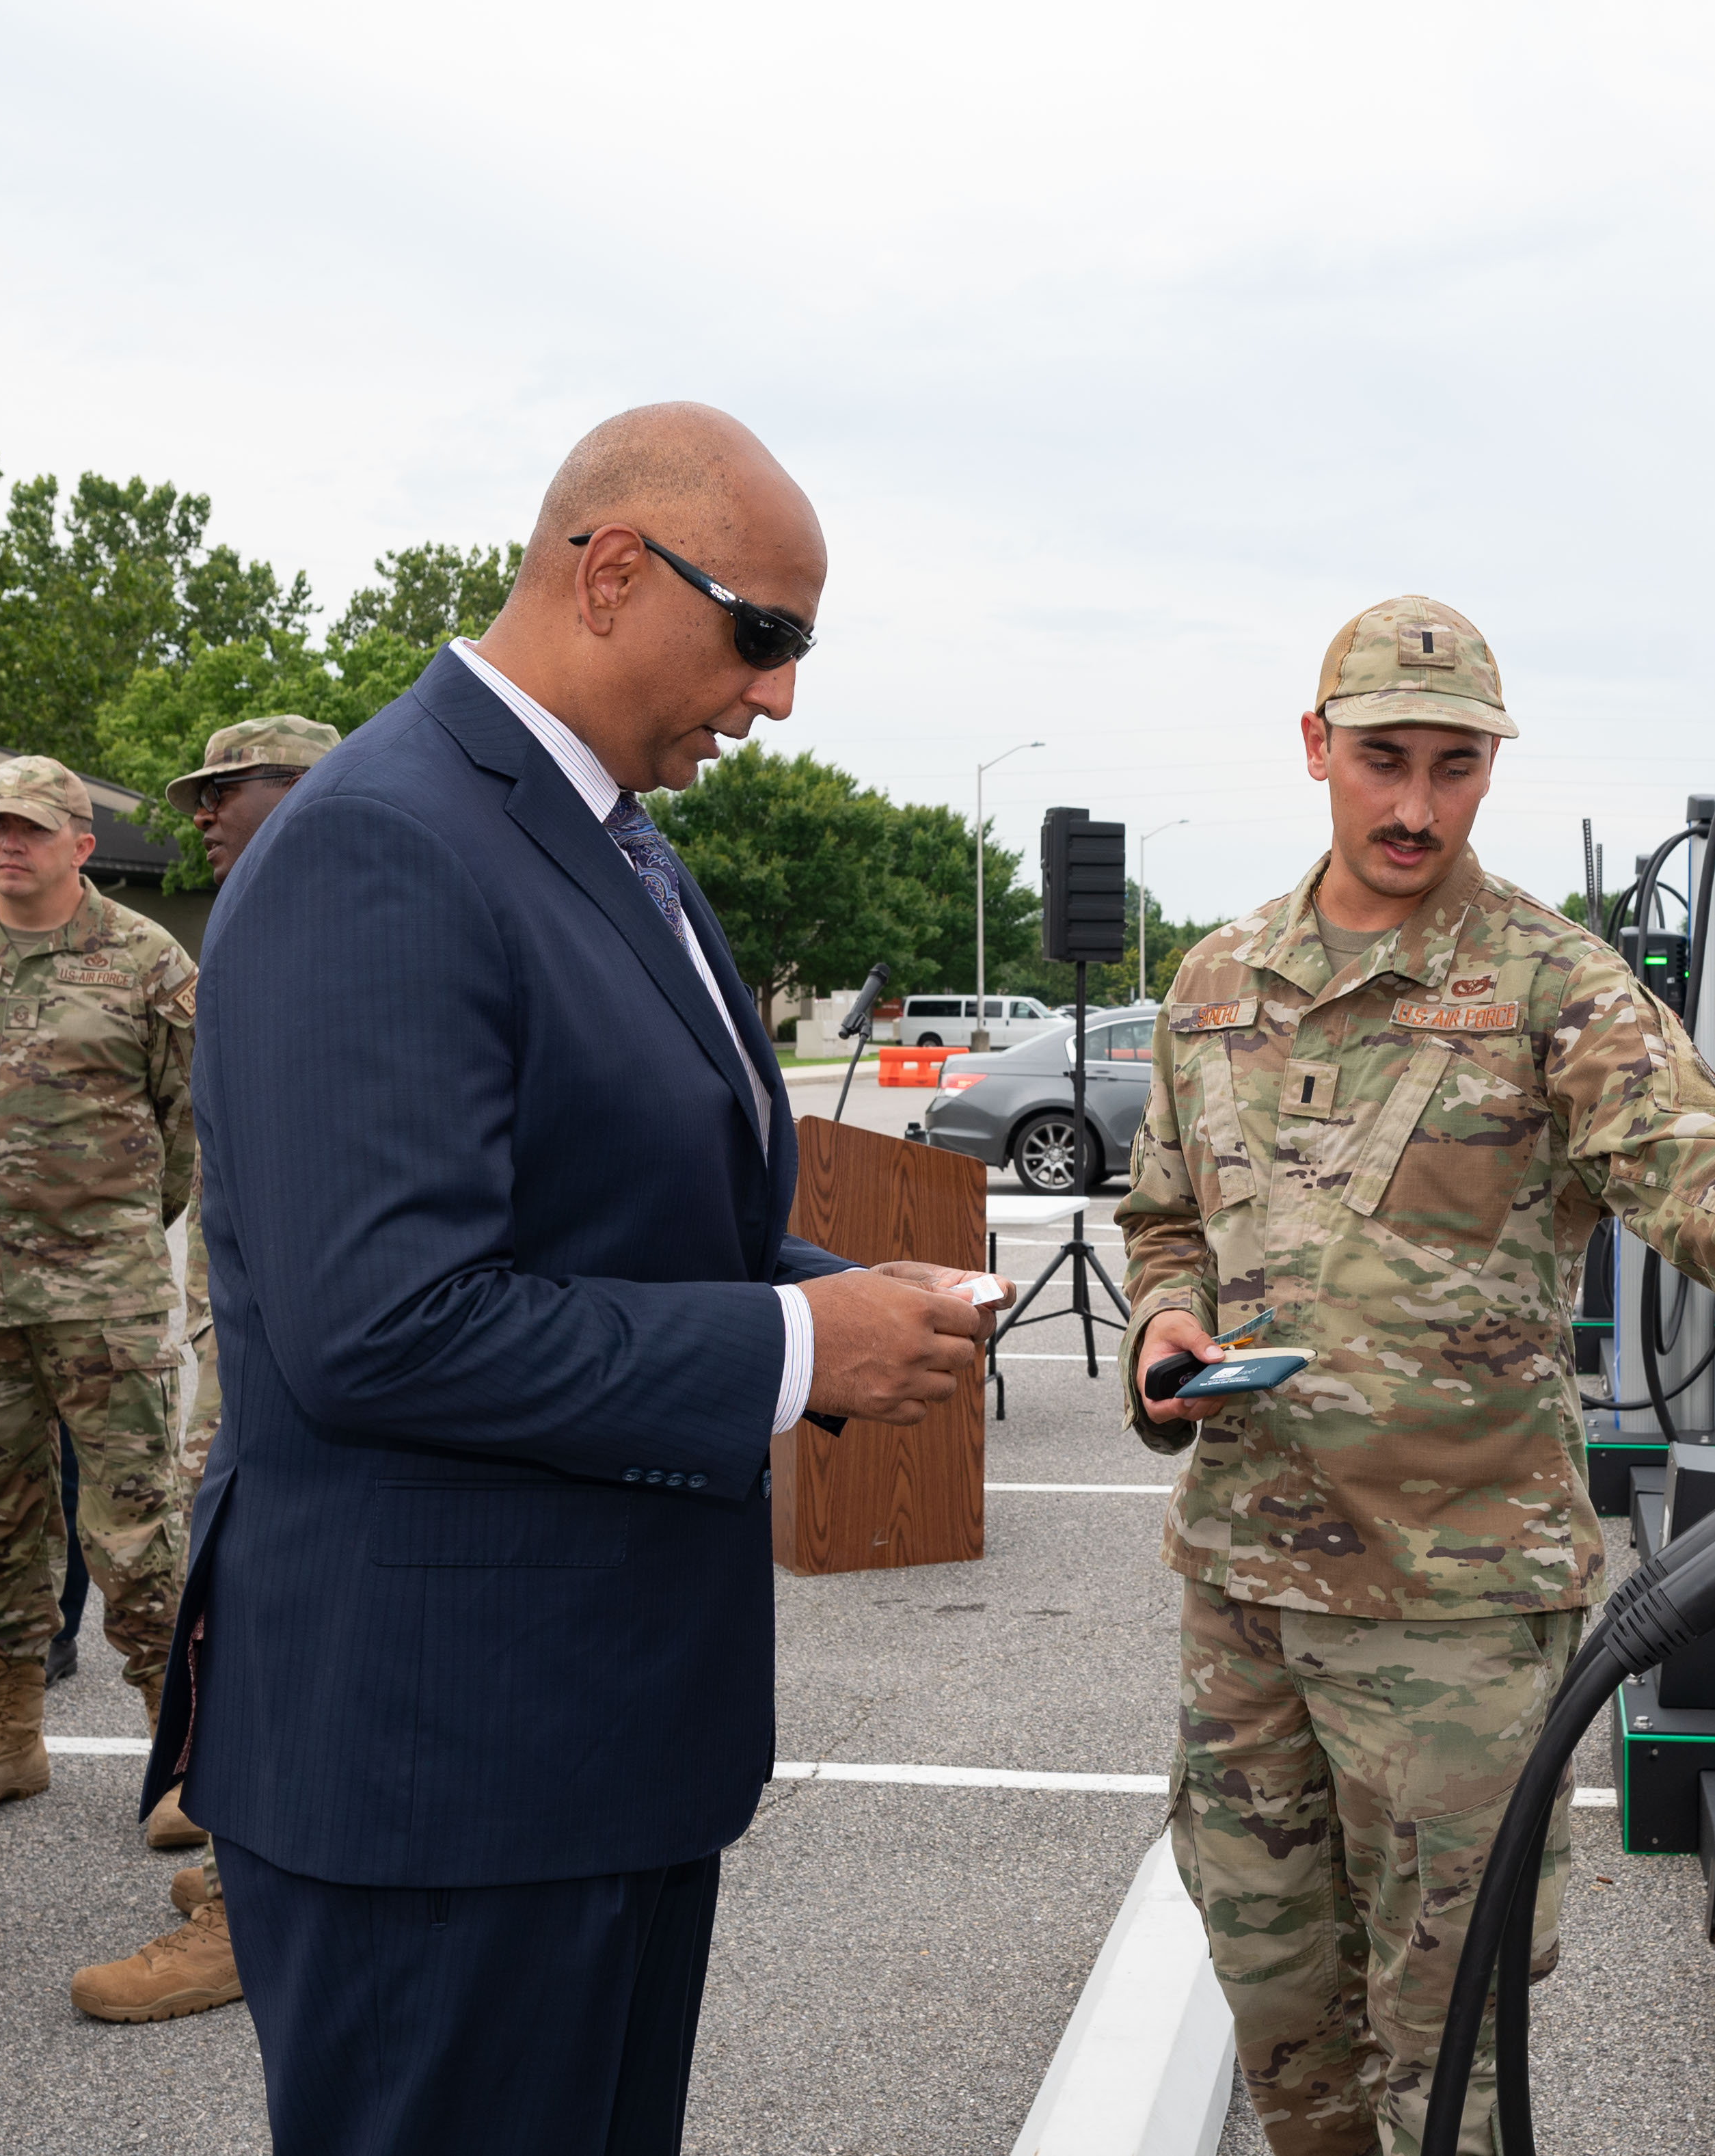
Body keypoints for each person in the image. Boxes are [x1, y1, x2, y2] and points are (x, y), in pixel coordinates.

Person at [140, 404, 1008, 2155]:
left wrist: (848, 1307)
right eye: (761, 634)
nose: (777, 697)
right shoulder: (383, 840)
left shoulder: (605, 831)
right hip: (440, 1771)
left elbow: (621, 1214)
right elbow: (382, 1327)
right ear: (611, 568)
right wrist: (787, 1342)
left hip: (591, 1743)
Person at [1121, 595, 1715, 2154]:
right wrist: (1166, 1329)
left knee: (1451, 2057)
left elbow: (1700, 1175)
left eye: (1454, 764)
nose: (1417, 803)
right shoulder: (1215, 982)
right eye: (1382, 759)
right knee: (1283, 2019)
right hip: (1244, 1586)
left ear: (1494, 765)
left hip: (1457, 1609)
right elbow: (1168, 1220)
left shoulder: (1551, 986)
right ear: (1316, 749)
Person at [67, 713, 339, 2025]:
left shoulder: (334, 922)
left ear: (308, 791)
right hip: (239, 1312)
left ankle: (252, 1908)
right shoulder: (261, 920)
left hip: (301, 1339)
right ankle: (265, 1867)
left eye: (232, 792)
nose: (205, 817)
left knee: (264, 1601)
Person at [0, 756, 198, 1829]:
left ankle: (179, 1750)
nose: (6, 843)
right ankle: (12, 1736)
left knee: (134, 1523)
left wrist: (112, 1241)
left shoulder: (147, 959)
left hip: (101, 1298)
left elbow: (186, 1131)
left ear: (81, 843)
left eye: (28, 827)